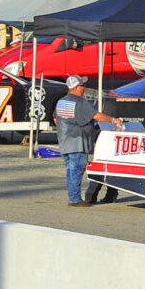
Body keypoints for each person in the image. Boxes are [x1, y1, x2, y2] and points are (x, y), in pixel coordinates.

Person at [55, 75, 116, 206]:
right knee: (76, 171)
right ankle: (75, 200)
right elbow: (98, 116)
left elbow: (56, 119)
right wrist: (113, 120)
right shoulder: (80, 102)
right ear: (77, 88)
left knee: (70, 171)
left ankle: (73, 197)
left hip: (64, 142)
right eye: (83, 85)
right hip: (78, 143)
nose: (84, 88)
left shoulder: (61, 101)